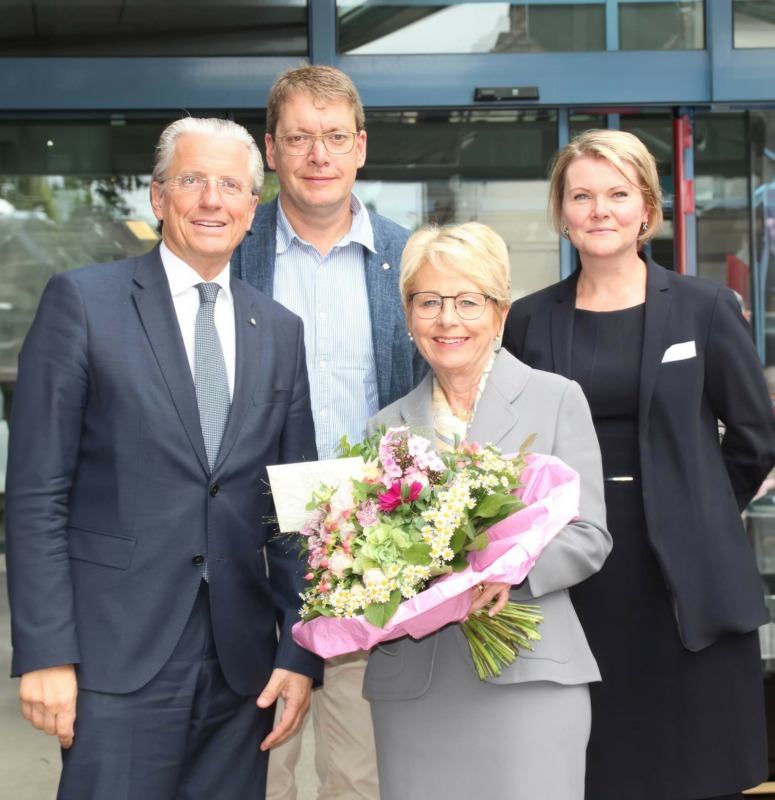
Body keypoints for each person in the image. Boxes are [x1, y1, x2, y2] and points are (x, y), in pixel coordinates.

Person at [5, 116, 322, 800]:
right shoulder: (83, 304)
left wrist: (299, 651)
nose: (212, 199)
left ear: (251, 206)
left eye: (231, 185)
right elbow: (35, 493)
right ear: (157, 197)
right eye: (193, 180)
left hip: (242, 666)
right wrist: (46, 652)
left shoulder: (279, 332)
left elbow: (299, 511)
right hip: (114, 658)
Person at [503, 128, 775, 800]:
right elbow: (509, 447)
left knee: (695, 764)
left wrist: (698, 503)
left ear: (646, 209)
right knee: (592, 767)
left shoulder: (705, 307)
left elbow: (753, 436)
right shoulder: (529, 323)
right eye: (582, 195)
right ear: (562, 212)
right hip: (574, 569)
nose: (599, 209)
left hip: (684, 576)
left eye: (617, 194)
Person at [363, 222, 612, 800]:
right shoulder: (384, 428)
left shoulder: (556, 398)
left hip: (530, 675)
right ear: (408, 316)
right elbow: (371, 549)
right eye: (429, 302)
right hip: (415, 693)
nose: (448, 320)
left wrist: (510, 570)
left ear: (499, 313)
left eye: (468, 301)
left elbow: (590, 535)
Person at [231, 64, 426, 800]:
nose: (319, 155)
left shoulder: (408, 260)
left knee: (358, 772)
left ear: (361, 148)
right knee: (256, 763)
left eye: (334, 137)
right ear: (271, 149)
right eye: (300, 137)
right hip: (252, 542)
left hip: (367, 548)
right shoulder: (230, 254)